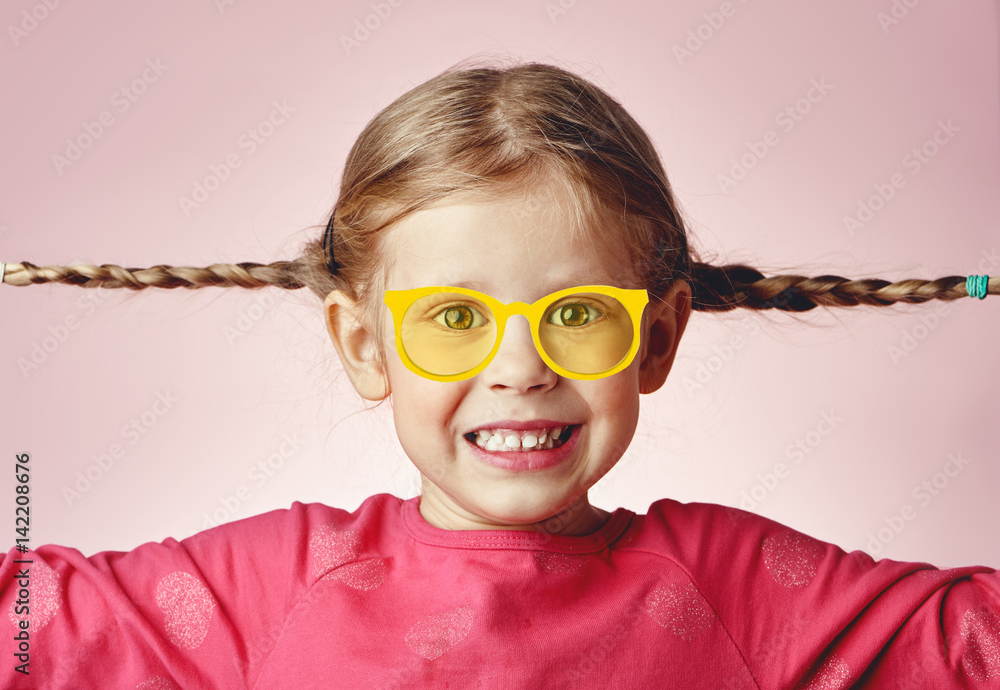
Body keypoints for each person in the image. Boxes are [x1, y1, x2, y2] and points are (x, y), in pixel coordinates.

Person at [0, 61, 996, 689]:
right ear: (362, 343)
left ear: (656, 338)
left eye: (575, 315)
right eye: (453, 320)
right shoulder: (267, 592)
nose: (518, 370)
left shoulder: (743, 594)